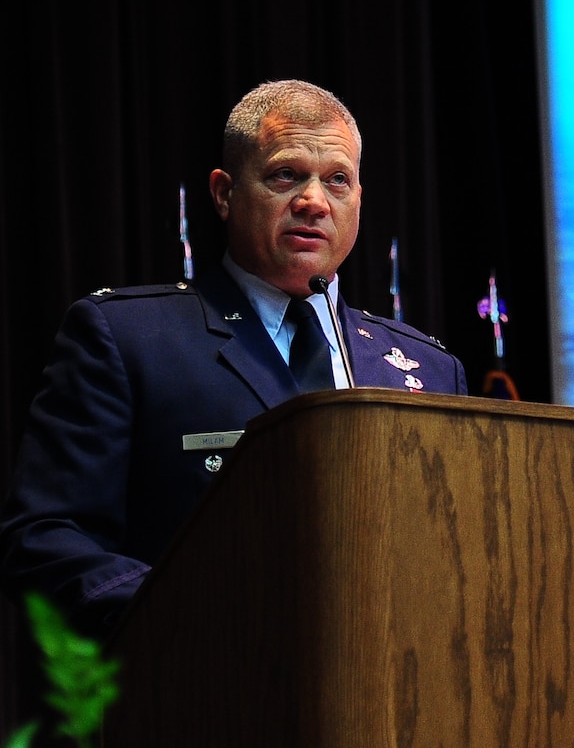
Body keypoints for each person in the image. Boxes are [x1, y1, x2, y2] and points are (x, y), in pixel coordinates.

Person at [0, 80, 468, 639]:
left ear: (359, 200)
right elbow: (45, 536)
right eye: (285, 175)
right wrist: (194, 614)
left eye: (337, 180)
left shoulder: (428, 369)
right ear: (224, 194)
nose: (314, 201)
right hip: (201, 695)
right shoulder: (130, 339)